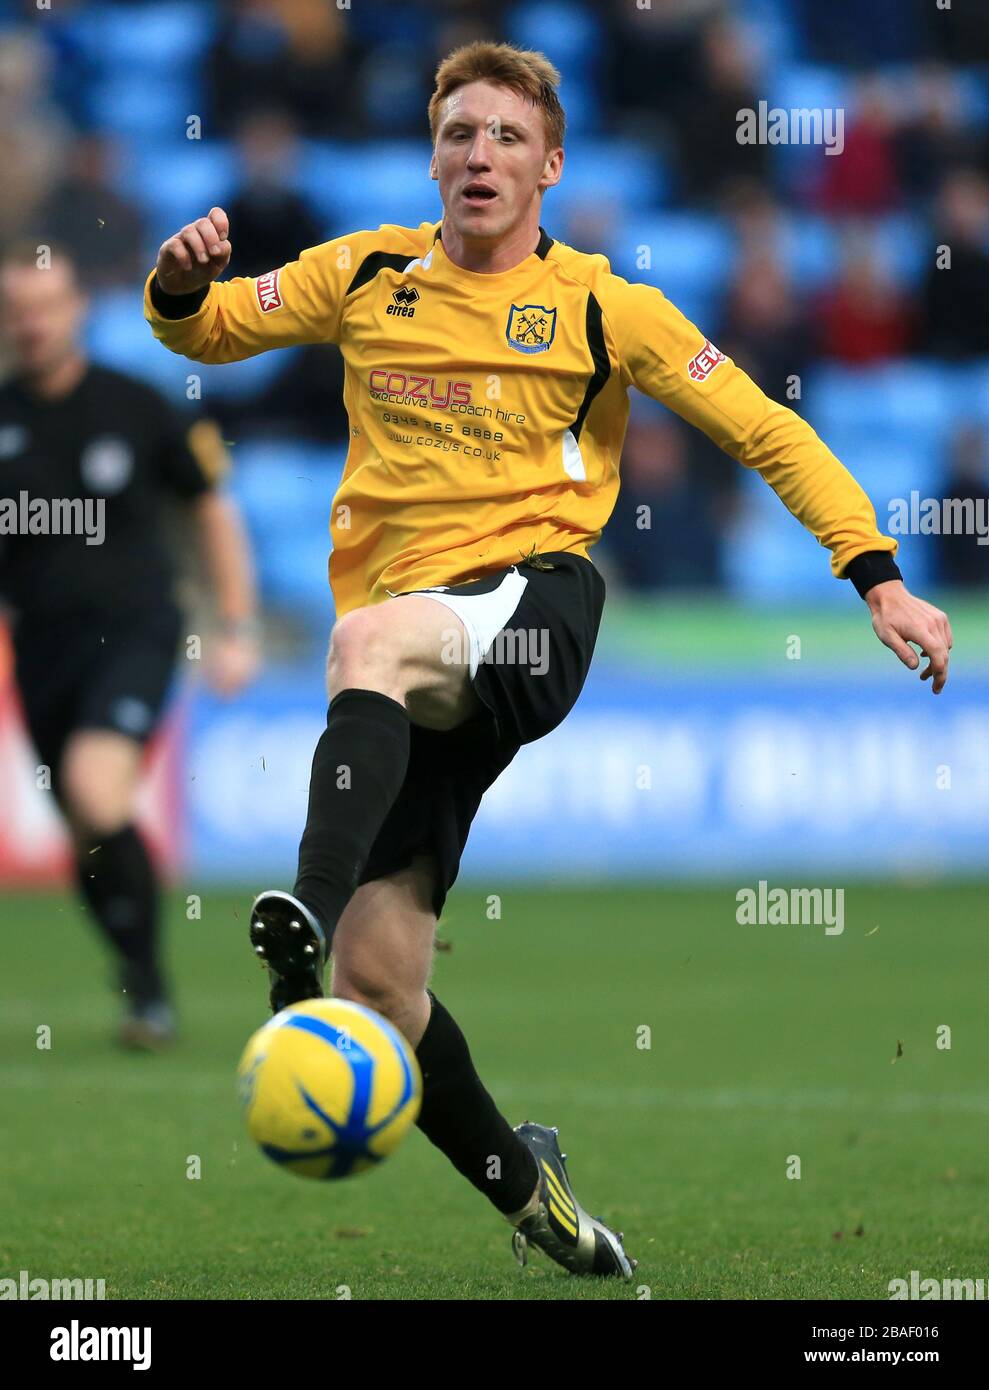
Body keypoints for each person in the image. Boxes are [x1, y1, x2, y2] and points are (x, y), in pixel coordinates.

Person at [143, 42, 952, 1276]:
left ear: (551, 166)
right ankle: (539, 1199)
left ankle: (297, 912)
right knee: (382, 989)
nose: (480, 154)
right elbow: (206, 334)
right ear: (432, 154)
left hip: (533, 609)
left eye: (507, 138)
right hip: (419, 670)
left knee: (363, 641)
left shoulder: (601, 305)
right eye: (460, 132)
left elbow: (765, 429)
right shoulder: (361, 271)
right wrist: (172, 283)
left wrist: (873, 570)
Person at [0, 244, 260, 1048]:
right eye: (18, 310)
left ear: (78, 308)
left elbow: (211, 510)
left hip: (137, 633)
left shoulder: (138, 405)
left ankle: (149, 993)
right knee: (86, 829)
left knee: (96, 789)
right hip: (40, 652)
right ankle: (144, 987)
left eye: (48, 306)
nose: (35, 324)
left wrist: (236, 625)